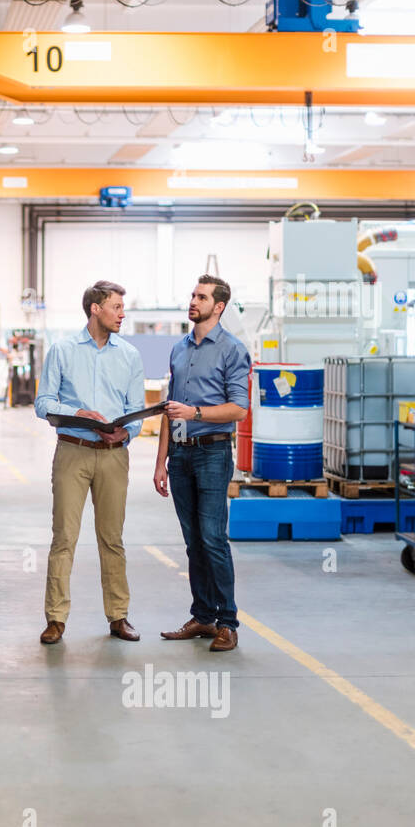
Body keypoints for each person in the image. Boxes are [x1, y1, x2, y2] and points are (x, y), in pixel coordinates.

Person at [34, 280, 146, 645]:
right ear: (95, 308)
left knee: (112, 539)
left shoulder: (129, 355)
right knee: (64, 537)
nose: (122, 314)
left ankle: (118, 616)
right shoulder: (63, 351)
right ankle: (56, 618)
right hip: (73, 451)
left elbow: (135, 412)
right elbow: (43, 402)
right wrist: (76, 412)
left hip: (114, 456)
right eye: (116, 306)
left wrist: (125, 433)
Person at [153, 275, 251, 652]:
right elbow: (169, 409)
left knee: (213, 540)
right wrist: (161, 461)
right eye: (193, 295)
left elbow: (239, 409)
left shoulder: (232, 349)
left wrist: (194, 411)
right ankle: (203, 616)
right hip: (179, 454)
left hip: (212, 452)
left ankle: (228, 622)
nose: (193, 301)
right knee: (193, 542)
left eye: (202, 297)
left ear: (219, 306)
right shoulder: (179, 348)